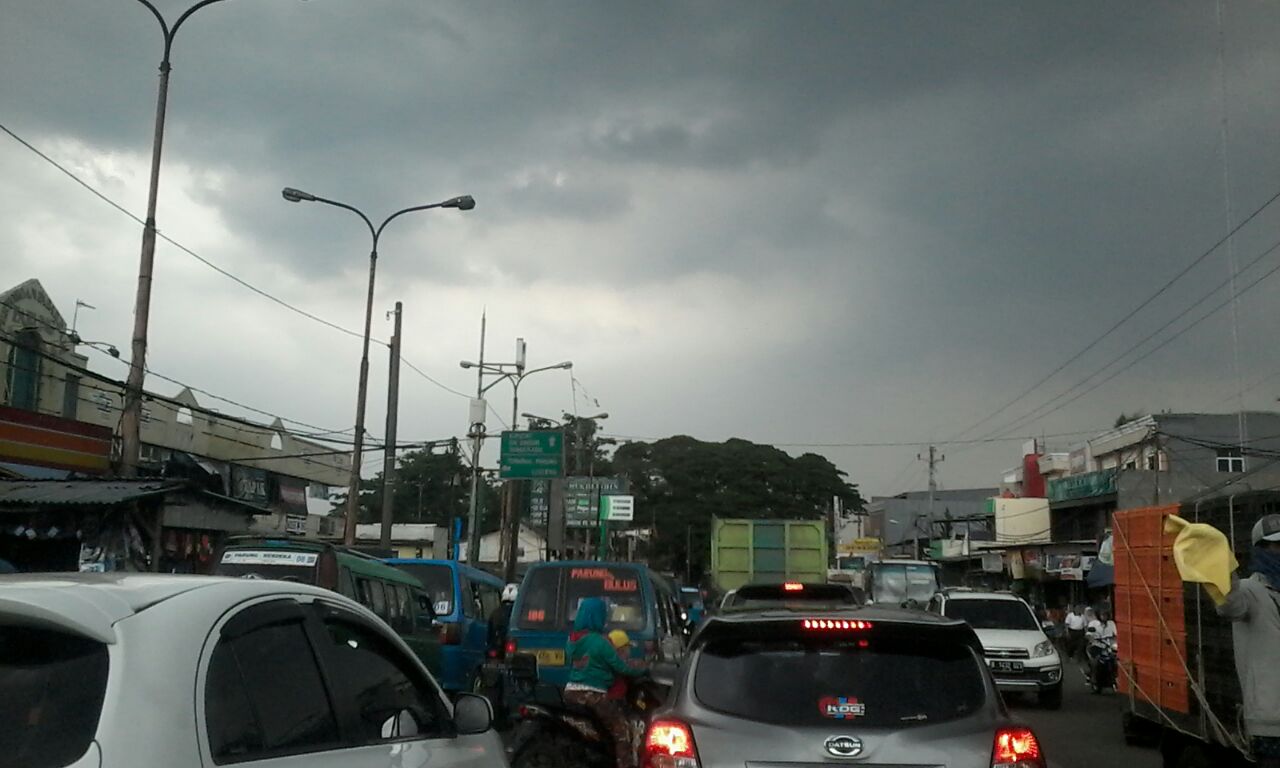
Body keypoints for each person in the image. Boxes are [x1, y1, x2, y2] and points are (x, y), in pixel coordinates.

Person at [1216, 514, 1280, 768]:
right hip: (1270, 719)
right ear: (1260, 550)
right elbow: (1228, 606)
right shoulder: (1248, 591)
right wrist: (1223, 566)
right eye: (1276, 546)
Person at [565, 598, 647, 768]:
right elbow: (621, 667)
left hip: (571, 692)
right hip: (594, 695)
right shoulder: (600, 642)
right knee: (621, 730)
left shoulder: (571, 640)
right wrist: (643, 668)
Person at [487, 583, 519, 656]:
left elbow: (489, 636)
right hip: (512, 652)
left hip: (495, 649)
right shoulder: (518, 613)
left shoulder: (495, 613)